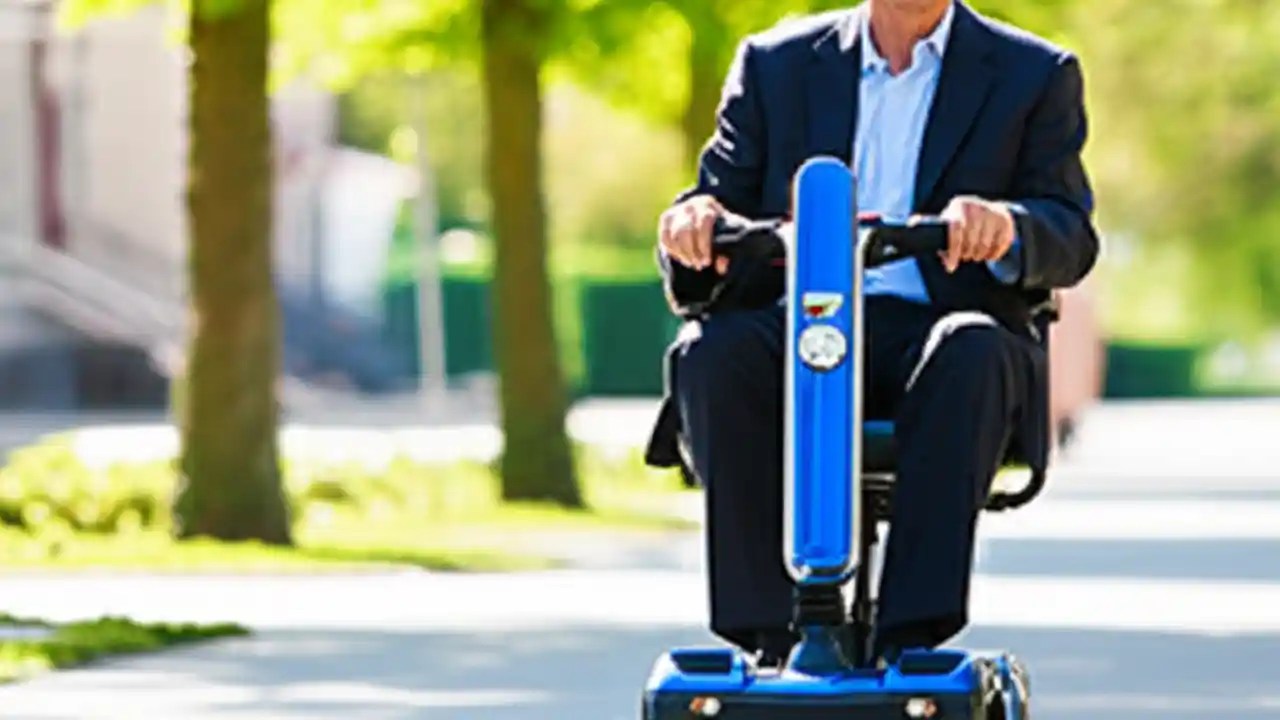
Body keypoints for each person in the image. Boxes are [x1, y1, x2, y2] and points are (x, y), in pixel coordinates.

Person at [647, 0, 1100, 666]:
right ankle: (774, 641)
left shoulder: (1033, 73)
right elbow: (714, 201)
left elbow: (1069, 232)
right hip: (805, 317)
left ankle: (909, 640)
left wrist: (1007, 225)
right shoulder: (775, 64)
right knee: (717, 353)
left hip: (937, 327)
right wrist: (692, 224)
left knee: (969, 348)